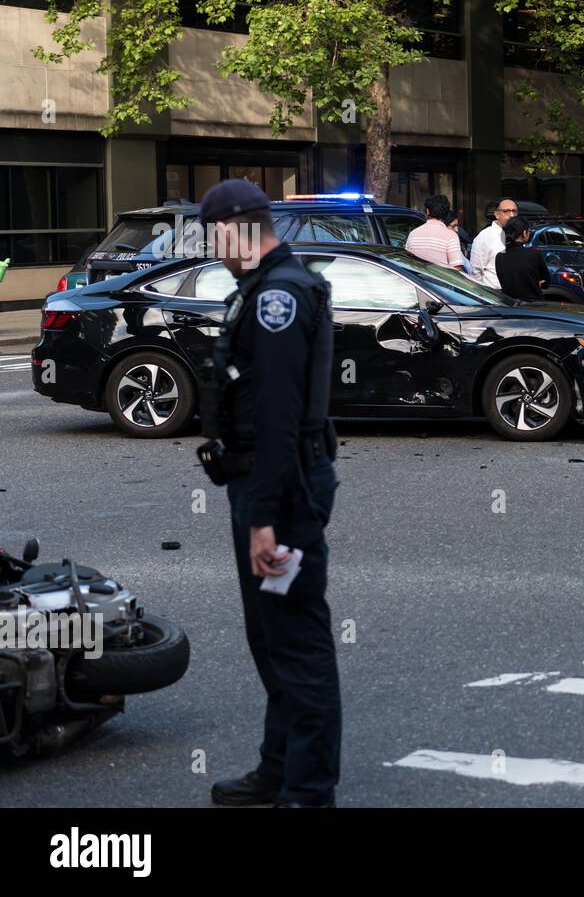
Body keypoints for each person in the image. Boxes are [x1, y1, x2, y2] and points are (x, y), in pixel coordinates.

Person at [196, 179, 341, 808]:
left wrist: (262, 521)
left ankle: (308, 793)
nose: (212, 249)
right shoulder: (267, 287)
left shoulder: (277, 296)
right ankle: (277, 770)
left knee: (297, 646)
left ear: (235, 228)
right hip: (268, 481)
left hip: (278, 488)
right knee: (271, 638)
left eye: (212, 236)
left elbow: (280, 419)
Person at [494, 216, 549, 302]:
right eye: (529, 231)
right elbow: (546, 282)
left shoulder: (499, 256)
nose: (529, 233)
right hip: (534, 306)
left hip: (510, 307)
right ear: (524, 233)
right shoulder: (534, 254)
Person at [405, 193, 464, 271]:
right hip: (440, 282)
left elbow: (407, 263)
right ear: (447, 213)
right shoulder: (451, 236)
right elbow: (457, 268)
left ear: (427, 211)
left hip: (415, 281)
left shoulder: (413, 234)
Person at [468, 198, 517, 289]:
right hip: (494, 292)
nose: (512, 215)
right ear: (497, 214)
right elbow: (475, 270)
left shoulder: (518, 235)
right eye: (506, 211)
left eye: (514, 211)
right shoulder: (485, 236)